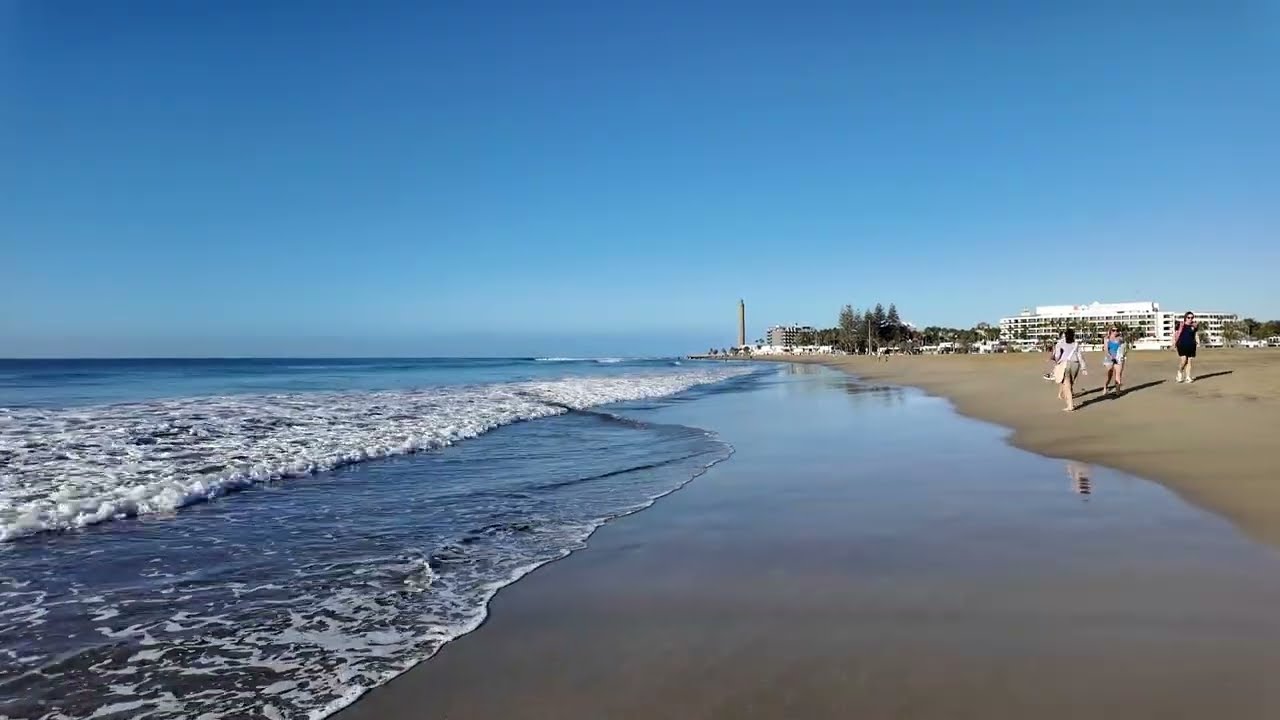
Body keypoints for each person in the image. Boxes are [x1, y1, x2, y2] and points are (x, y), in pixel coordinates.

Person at [1051, 328, 1087, 411]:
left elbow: (1057, 356)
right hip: (1075, 364)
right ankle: (1069, 403)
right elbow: (1080, 356)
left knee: (1067, 385)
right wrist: (1083, 368)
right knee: (1070, 384)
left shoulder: (1060, 344)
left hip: (1065, 364)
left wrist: (1057, 361)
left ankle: (1070, 406)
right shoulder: (1076, 344)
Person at [1173, 311, 1197, 383]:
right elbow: (1176, 334)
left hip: (1191, 345)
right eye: (1188, 317)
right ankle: (1179, 373)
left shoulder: (1194, 326)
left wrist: (1196, 342)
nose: (1190, 319)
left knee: (1189, 361)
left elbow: (1194, 335)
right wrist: (1173, 343)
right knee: (1184, 360)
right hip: (1182, 345)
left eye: (1192, 317)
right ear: (1185, 318)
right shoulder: (1181, 325)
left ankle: (1188, 377)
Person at [1102, 326, 1126, 394]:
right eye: (1113, 330)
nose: (1115, 332)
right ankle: (1105, 387)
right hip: (1109, 358)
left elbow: (1123, 348)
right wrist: (1111, 357)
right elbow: (1106, 350)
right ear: (1110, 330)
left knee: (1118, 374)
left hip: (1118, 358)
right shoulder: (1107, 338)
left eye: (1117, 330)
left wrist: (1122, 356)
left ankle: (1117, 391)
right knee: (1109, 375)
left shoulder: (1120, 338)